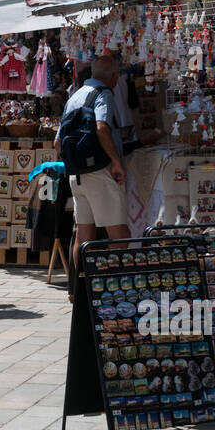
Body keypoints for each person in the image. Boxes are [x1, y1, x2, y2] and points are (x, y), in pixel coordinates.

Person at [57, 54, 130, 276]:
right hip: (99, 171)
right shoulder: (103, 93)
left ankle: (82, 291)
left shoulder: (75, 96)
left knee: (84, 236)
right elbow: (101, 128)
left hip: (77, 174)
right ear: (114, 76)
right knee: (120, 236)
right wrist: (116, 162)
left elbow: (57, 142)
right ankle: (110, 287)